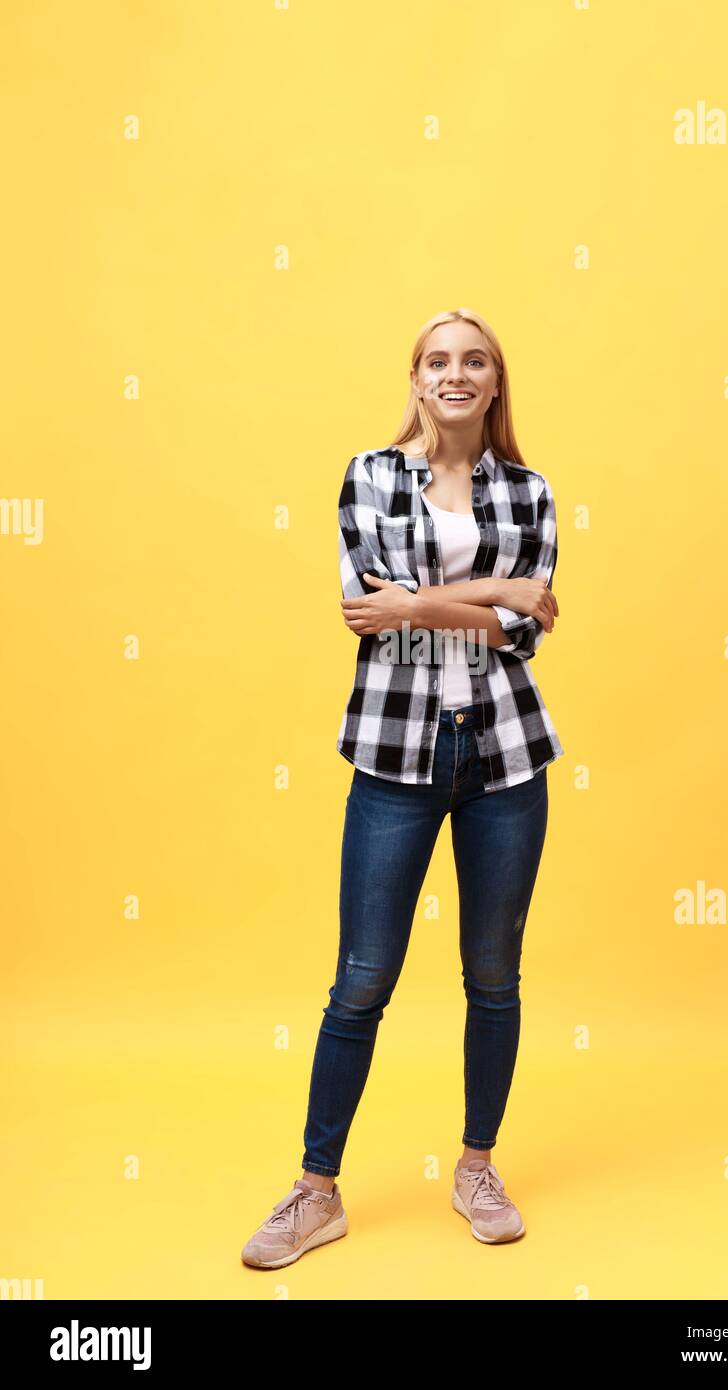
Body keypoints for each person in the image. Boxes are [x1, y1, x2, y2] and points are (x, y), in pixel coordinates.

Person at [241, 308, 564, 1268]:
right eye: (436, 360)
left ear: (495, 383)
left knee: (493, 975)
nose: (454, 374)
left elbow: (528, 632)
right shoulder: (370, 475)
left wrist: (440, 605)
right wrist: (490, 594)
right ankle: (316, 1190)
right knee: (362, 979)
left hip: (504, 754)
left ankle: (475, 1165)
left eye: (473, 360)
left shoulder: (531, 491)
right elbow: (364, 608)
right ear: (415, 379)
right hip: (395, 753)